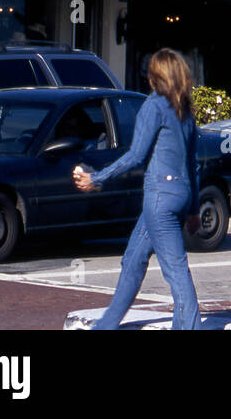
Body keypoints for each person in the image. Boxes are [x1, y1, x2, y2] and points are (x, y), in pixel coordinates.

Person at [74, 48, 203, 329]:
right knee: (133, 260)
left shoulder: (153, 106)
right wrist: (193, 210)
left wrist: (96, 178)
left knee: (177, 271)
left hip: (159, 199)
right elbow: (194, 164)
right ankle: (106, 325)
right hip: (180, 197)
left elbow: (135, 156)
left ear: (155, 76)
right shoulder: (185, 112)